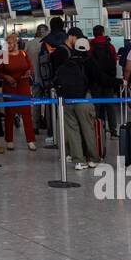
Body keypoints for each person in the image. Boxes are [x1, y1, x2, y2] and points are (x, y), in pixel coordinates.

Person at [42, 21, 98, 168]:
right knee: (87, 128)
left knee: (72, 130)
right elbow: (97, 77)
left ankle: (78, 159)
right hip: (81, 98)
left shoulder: (68, 57)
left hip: (67, 98)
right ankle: (92, 158)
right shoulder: (80, 58)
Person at [0, 33, 37, 150]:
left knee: (26, 113)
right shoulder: (3, 55)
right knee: (9, 113)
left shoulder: (23, 54)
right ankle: (9, 140)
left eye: (10, 43)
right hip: (9, 86)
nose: (7, 45)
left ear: (16, 43)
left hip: (23, 85)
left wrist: (29, 72)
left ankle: (30, 140)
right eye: (6, 43)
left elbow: (30, 66)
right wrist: (6, 77)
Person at [86, 25, 120, 136]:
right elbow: (114, 62)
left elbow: (89, 63)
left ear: (94, 33)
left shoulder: (91, 46)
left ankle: (98, 130)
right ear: (103, 32)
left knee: (97, 105)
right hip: (108, 80)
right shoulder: (110, 46)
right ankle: (113, 130)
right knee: (110, 105)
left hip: (95, 81)